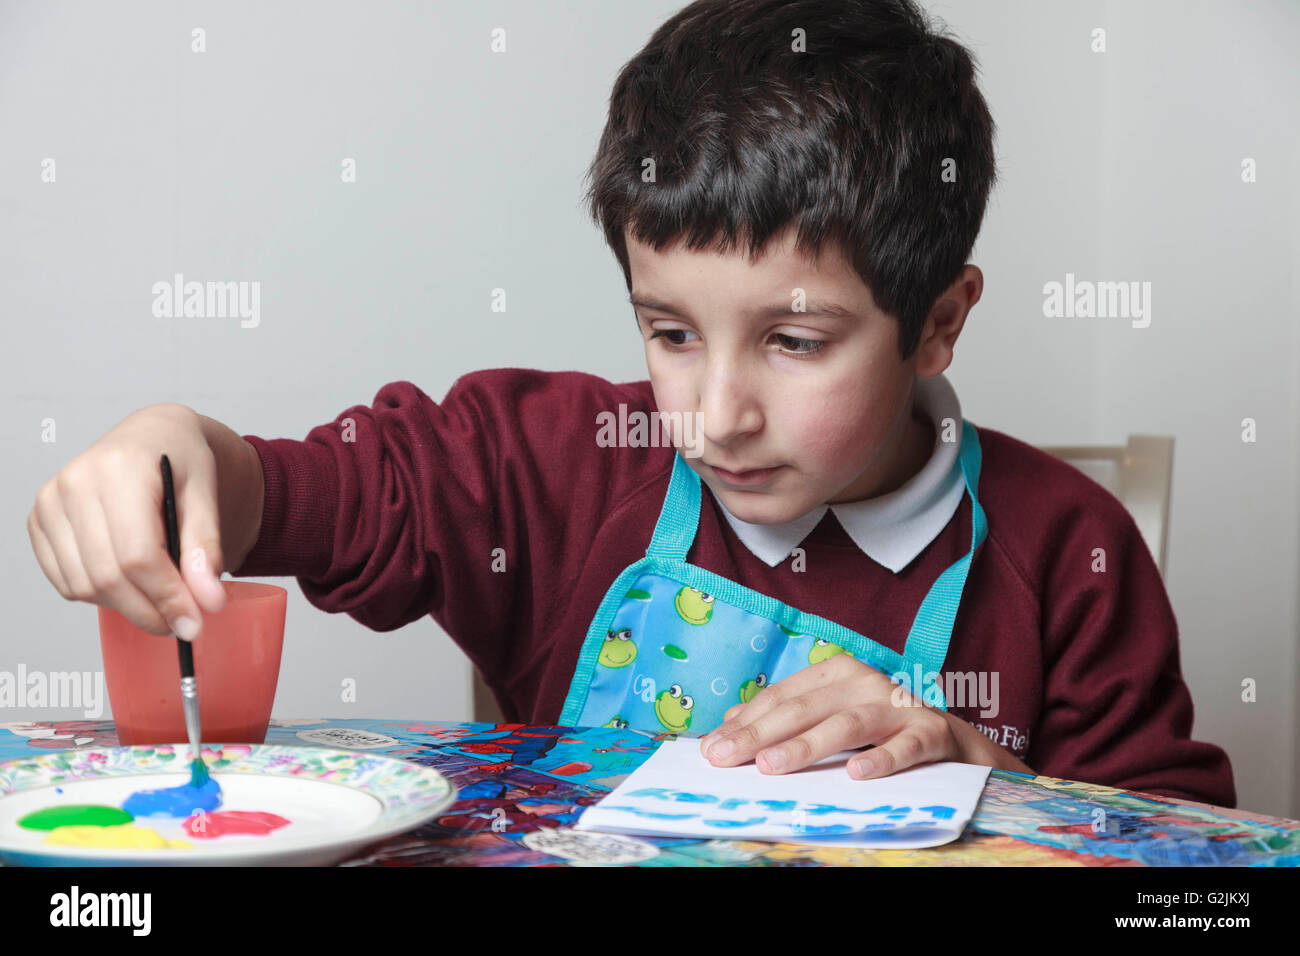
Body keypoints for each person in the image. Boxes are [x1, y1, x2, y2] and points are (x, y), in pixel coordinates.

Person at [27, 0, 1234, 807]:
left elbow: (1193, 883)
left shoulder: (1068, 549)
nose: (715, 410)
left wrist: (987, 783)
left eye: (794, 341)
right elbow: (317, 495)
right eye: (668, 331)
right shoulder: (549, 466)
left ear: (938, 320)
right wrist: (182, 456)